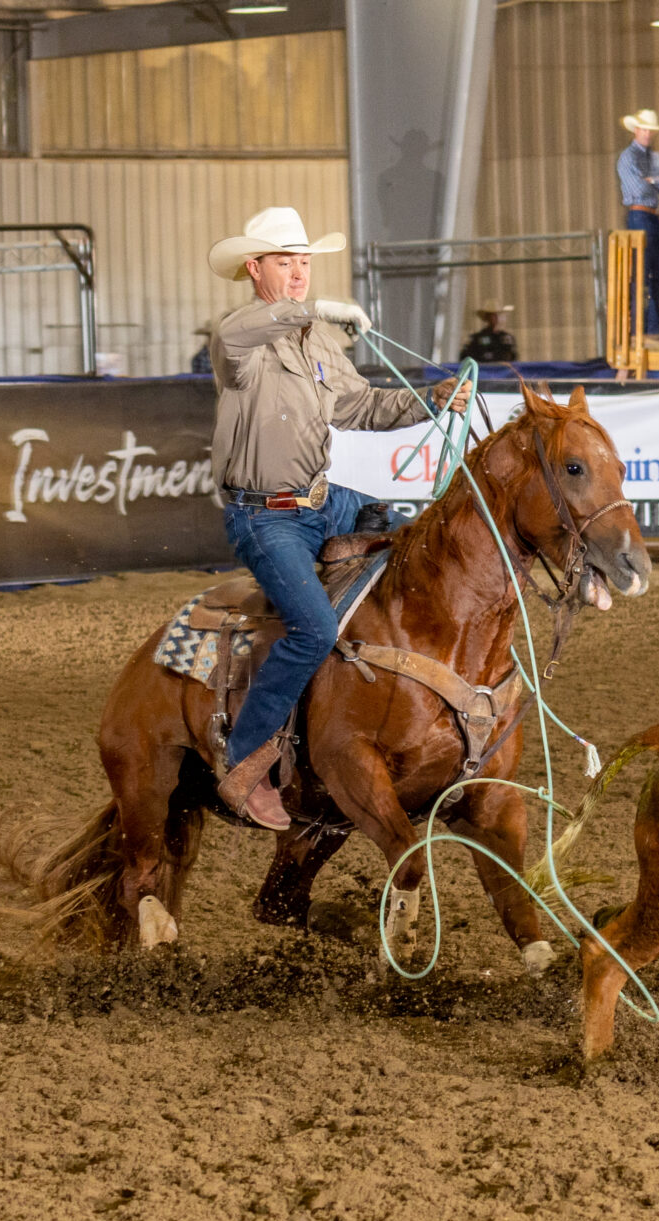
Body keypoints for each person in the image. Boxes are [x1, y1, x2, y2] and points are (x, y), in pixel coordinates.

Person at [206, 205, 471, 830]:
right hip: (265, 517)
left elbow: (361, 406)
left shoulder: (319, 340)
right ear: (255, 268)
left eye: (303, 263)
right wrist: (317, 309)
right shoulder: (239, 336)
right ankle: (244, 759)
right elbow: (236, 338)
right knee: (313, 630)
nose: (298, 273)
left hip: (323, 499)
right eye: (284, 262)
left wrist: (431, 399)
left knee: (410, 542)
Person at [615, 108, 659, 336]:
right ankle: (643, 329)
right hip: (640, 214)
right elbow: (639, 187)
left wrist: (652, 181)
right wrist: (657, 181)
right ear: (637, 130)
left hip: (650, 214)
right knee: (643, 273)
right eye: (645, 130)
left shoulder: (651, 157)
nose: (648, 134)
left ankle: (652, 329)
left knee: (657, 272)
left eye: (651, 131)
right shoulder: (628, 157)